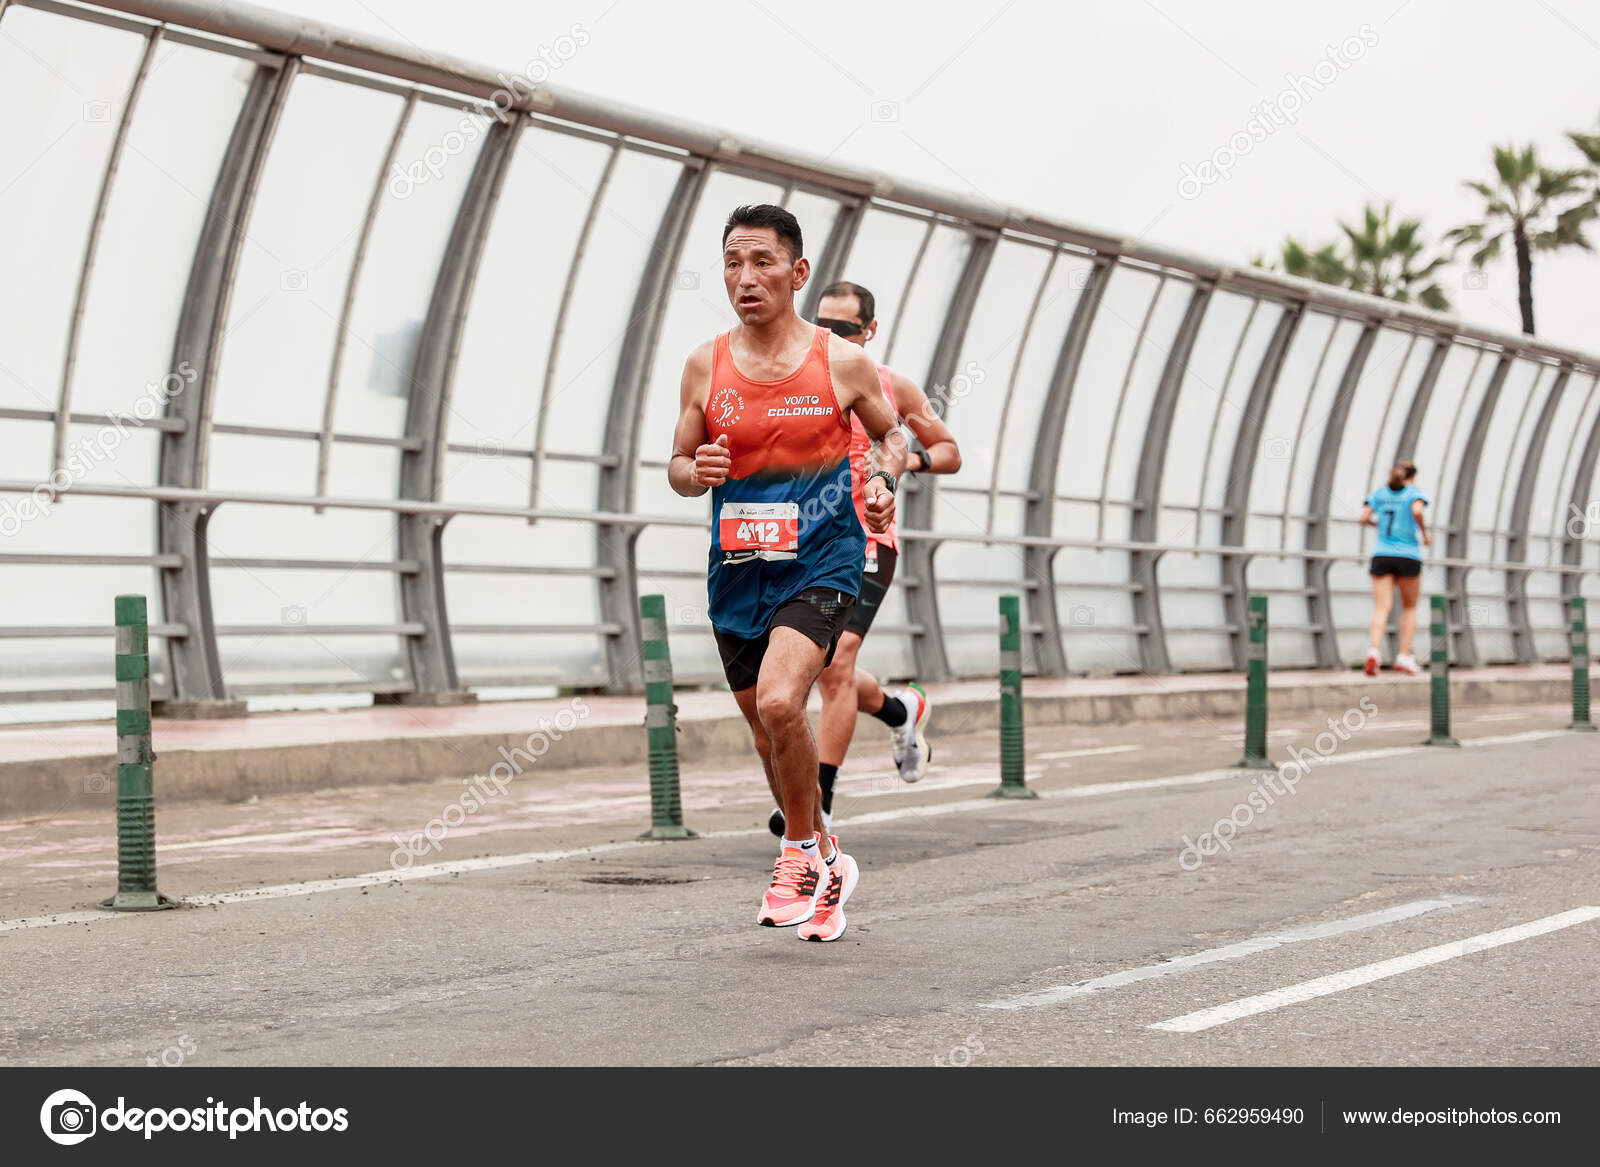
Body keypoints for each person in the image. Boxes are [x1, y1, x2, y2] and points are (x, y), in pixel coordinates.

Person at [669, 205, 901, 942]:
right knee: (771, 736)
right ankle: (829, 856)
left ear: (797, 272)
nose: (746, 277)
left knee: (779, 701)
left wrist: (885, 479)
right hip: (737, 570)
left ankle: (798, 852)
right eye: (733, 261)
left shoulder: (841, 362)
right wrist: (692, 470)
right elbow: (677, 464)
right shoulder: (706, 363)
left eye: (763, 261)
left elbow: (892, 435)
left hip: (823, 562)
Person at [767, 280, 963, 840]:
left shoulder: (890, 384)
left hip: (870, 541)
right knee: (826, 666)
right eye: (822, 324)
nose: (830, 336)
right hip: (808, 542)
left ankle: (820, 805)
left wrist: (900, 466)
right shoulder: (795, 378)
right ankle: (901, 712)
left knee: (841, 659)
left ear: (869, 332)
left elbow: (948, 450)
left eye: (845, 329)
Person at [1361, 460, 1430, 676]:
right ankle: (1403, 655)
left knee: (1382, 607)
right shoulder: (1413, 493)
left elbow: (1363, 517)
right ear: (1412, 477)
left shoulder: (1380, 494)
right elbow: (1417, 510)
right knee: (1409, 607)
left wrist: (1378, 525)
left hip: (1382, 553)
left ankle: (1373, 651)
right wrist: (1424, 534)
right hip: (1408, 554)